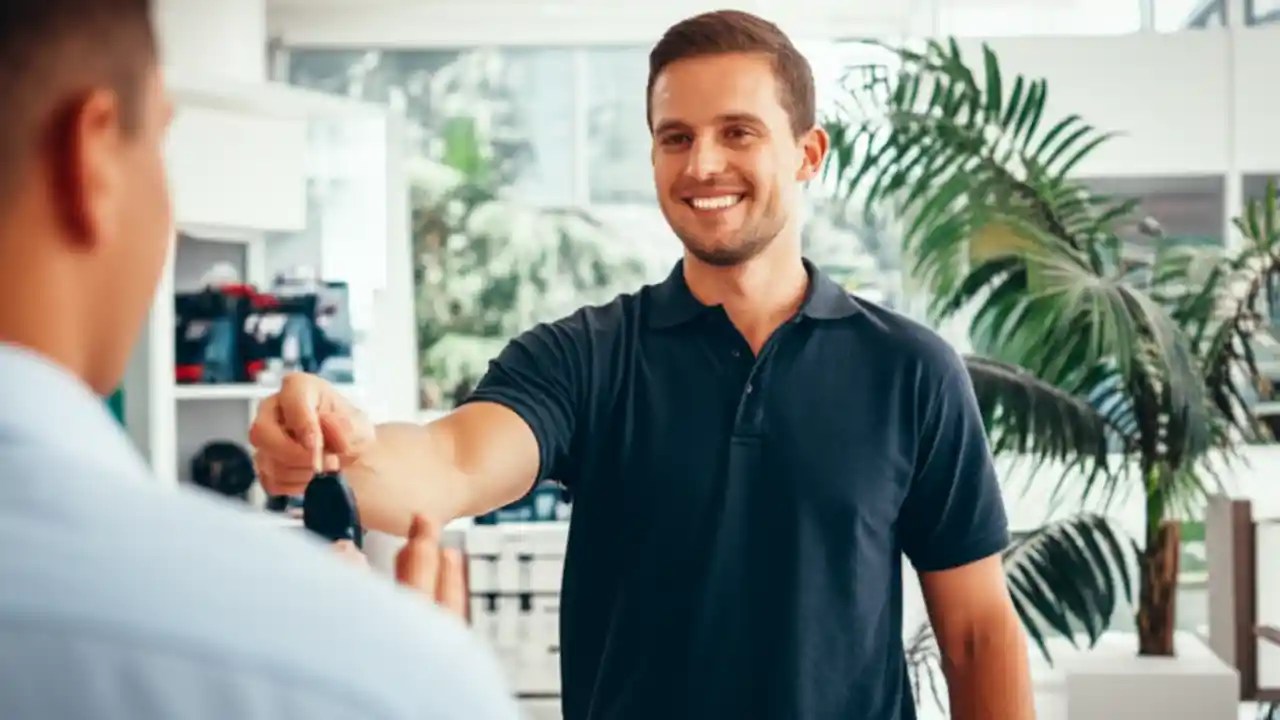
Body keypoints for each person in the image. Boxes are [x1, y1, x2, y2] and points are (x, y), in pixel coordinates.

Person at [252, 9, 1037, 720]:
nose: (702, 165)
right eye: (676, 137)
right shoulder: (587, 356)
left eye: (738, 132)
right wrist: (333, 442)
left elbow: (974, 635)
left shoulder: (911, 370)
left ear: (808, 154)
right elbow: (449, 463)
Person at [0, 2, 517, 718]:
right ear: (93, 162)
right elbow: (451, 461)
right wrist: (407, 672)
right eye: (160, 144)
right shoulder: (361, 672)